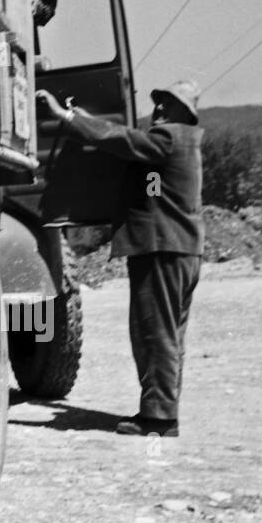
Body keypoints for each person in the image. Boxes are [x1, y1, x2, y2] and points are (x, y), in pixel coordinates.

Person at [36, 81, 204, 437]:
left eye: (167, 104)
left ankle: (158, 418)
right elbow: (125, 141)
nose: (158, 109)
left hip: (162, 249)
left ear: (183, 113)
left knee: (154, 334)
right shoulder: (178, 142)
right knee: (168, 334)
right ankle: (162, 410)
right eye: (158, 103)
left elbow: (121, 140)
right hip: (177, 250)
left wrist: (65, 117)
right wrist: (82, 117)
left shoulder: (170, 138)